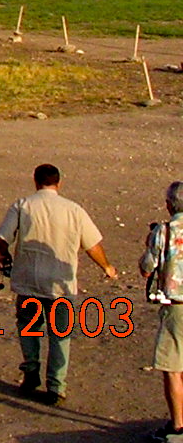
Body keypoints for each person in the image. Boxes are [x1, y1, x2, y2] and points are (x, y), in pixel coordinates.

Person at [0, 163, 118, 405]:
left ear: (35, 181)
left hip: (29, 280)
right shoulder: (74, 210)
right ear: (59, 183)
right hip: (60, 284)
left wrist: (5, 254)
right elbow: (92, 245)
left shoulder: (23, 205)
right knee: (60, 334)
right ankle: (56, 386)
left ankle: (31, 370)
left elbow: (2, 236)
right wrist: (107, 267)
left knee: (29, 327)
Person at [139, 180, 183, 442]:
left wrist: (150, 243)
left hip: (177, 307)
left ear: (169, 205)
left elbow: (146, 268)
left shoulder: (164, 232)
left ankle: (178, 426)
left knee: (174, 368)